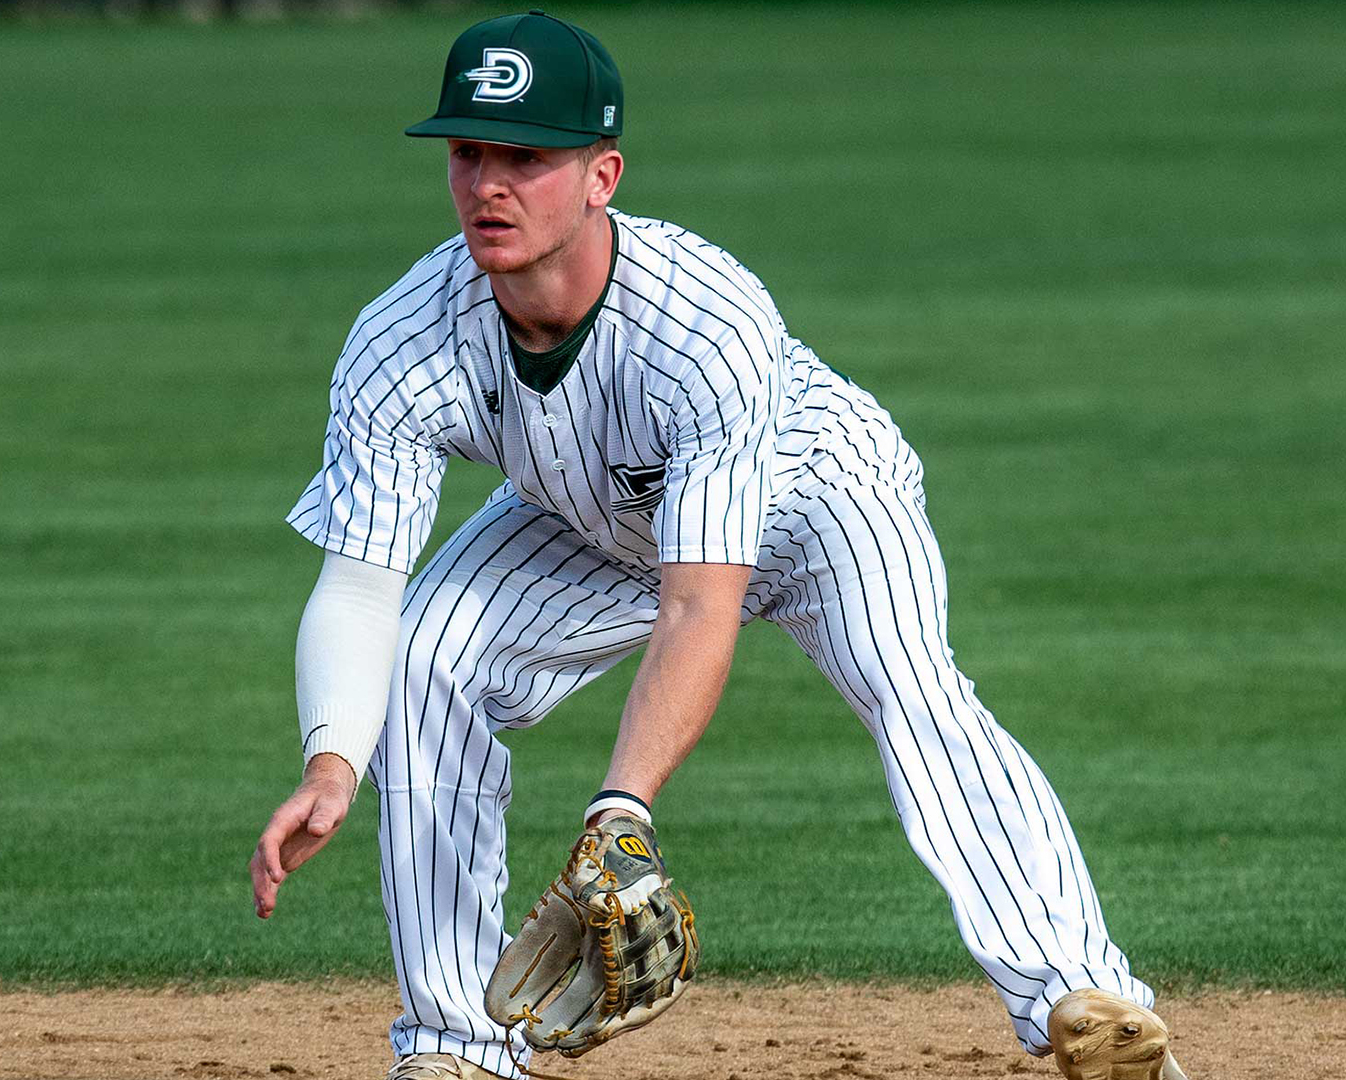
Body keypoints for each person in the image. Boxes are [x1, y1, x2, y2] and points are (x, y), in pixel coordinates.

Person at [249, 12, 1187, 1080]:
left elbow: (702, 606)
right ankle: (456, 1048)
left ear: (603, 175)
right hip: (600, 522)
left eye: (527, 156)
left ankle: (1083, 998)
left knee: (907, 679)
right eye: (467, 152)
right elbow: (361, 586)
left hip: (819, 497)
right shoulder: (402, 340)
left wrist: (622, 814)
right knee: (424, 658)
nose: (488, 185)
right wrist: (333, 760)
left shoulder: (703, 323)